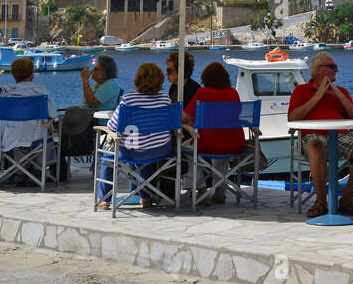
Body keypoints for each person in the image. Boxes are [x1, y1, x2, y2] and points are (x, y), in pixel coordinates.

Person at [287, 52, 353, 221]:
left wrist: (340, 95)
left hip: (340, 135)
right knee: (316, 146)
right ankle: (321, 201)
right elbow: (293, 118)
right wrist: (317, 96)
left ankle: (346, 199)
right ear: (319, 70)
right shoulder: (301, 90)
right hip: (313, 136)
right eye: (333, 67)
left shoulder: (341, 91)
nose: (337, 70)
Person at [97, 62, 173, 211]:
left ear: (138, 79)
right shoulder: (165, 99)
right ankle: (146, 197)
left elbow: (112, 127)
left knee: (109, 155)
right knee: (144, 153)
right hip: (161, 149)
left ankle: (105, 200)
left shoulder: (128, 100)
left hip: (131, 150)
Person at [182, 62, 246, 205]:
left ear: (205, 78)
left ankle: (202, 190)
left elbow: (184, 117)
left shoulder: (203, 93)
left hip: (208, 144)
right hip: (235, 143)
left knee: (188, 151)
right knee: (221, 157)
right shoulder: (233, 93)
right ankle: (220, 190)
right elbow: (237, 113)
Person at [0, 57, 57, 180]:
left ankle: (21, 172)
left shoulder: (6, 93)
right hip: (36, 137)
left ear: (14, 75)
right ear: (32, 74)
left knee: (18, 134)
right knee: (44, 129)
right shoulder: (41, 92)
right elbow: (52, 114)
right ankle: (36, 171)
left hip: (8, 138)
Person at [59, 55, 123, 179]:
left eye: (97, 69)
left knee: (63, 132)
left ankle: (60, 171)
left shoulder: (111, 84)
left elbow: (91, 101)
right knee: (60, 130)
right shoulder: (98, 85)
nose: (93, 71)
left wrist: (85, 80)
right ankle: (60, 169)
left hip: (96, 122)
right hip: (86, 119)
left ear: (106, 72)